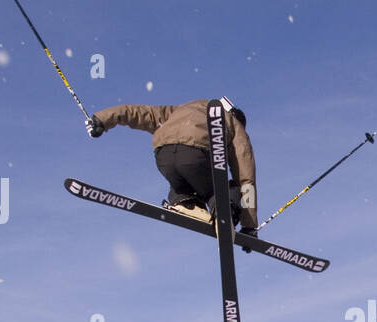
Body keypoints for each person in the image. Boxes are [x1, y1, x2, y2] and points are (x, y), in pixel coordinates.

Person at [85, 98, 258, 243]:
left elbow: (138, 113)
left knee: (183, 183)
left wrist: (102, 119)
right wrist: (249, 226)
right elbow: (245, 178)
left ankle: (185, 203)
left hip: (163, 155)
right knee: (228, 189)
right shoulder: (235, 125)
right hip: (197, 156)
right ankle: (223, 216)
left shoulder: (180, 110)